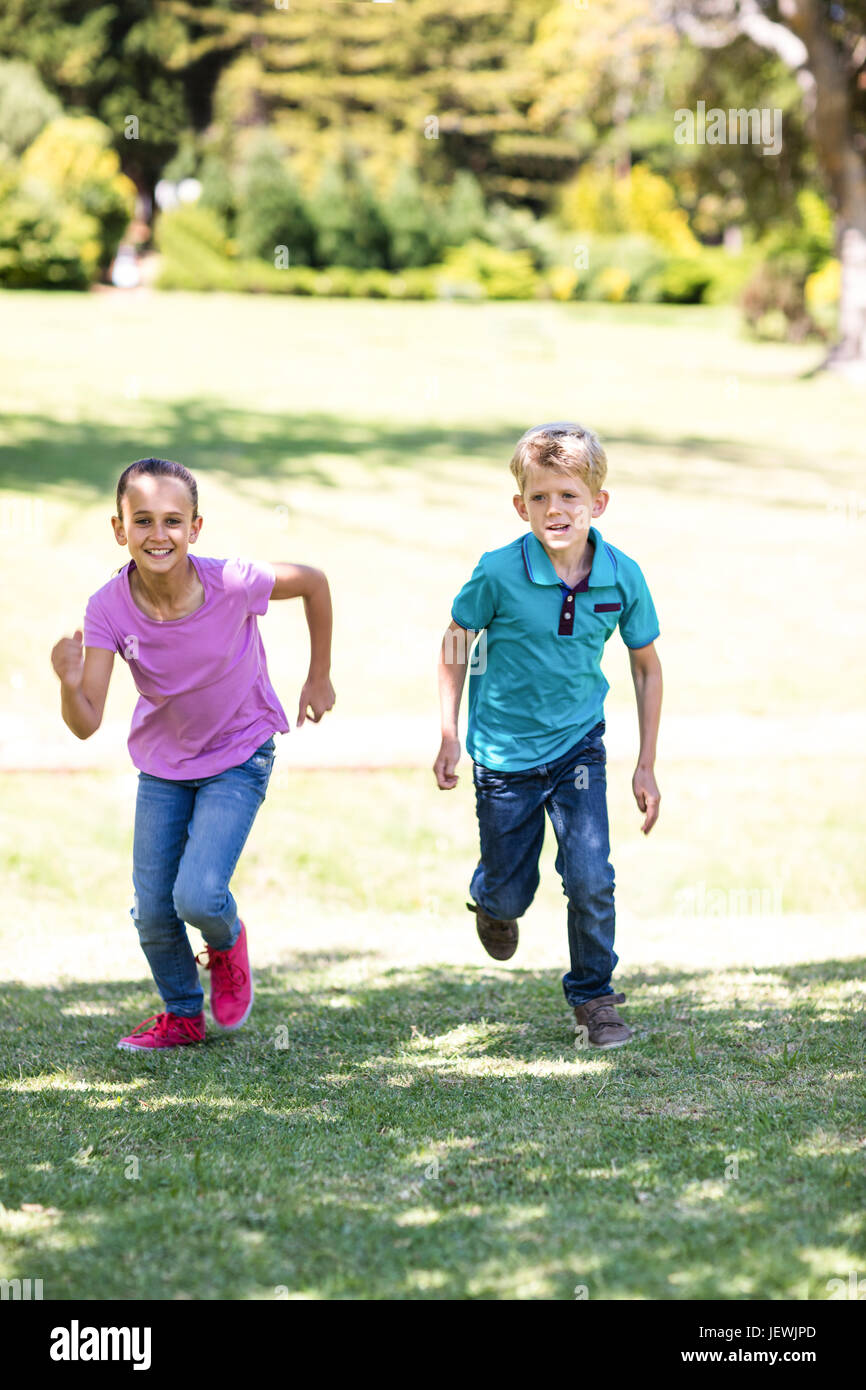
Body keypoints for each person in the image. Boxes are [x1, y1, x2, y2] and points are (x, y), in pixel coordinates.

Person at [50, 457, 335, 1051]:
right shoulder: (106, 608)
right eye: (144, 520)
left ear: (196, 528)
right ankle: (182, 1015)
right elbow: (86, 722)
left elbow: (313, 580)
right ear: (118, 527)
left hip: (240, 752)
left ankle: (227, 940)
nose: (159, 535)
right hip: (164, 768)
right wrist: (68, 682)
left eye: (173, 521)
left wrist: (318, 676)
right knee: (153, 912)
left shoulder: (231, 580)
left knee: (199, 894)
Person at [433, 423, 662, 1049]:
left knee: (591, 874)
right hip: (503, 755)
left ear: (598, 502)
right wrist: (450, 731)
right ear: (520, 505)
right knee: (511, 889)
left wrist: (645, 764)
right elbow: (457, 640)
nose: (554, 511)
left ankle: (595, 999)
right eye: (539, 498)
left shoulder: (623, 576)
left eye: (568, 496)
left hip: (578, 747)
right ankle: (491, 900)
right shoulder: (499, 572)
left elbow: (645, 664)